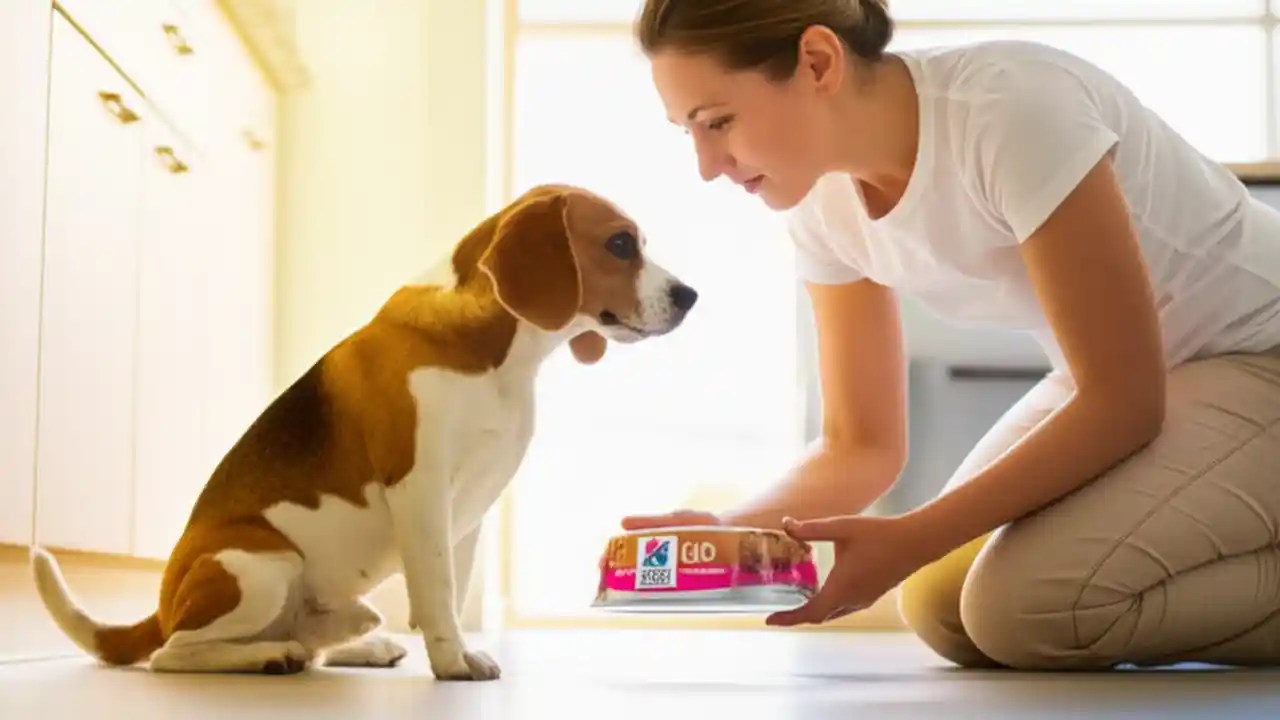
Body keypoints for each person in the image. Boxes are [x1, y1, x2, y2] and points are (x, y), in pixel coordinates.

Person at [619, 0, 1280, 670]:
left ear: (818, 62)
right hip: (1142, 380)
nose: (706, 165)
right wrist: (732, 532)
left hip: (1259, 352)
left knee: (1025, 611)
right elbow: (862, 447)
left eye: (718, 122)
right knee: (940, 607)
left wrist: (910, 536)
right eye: (688, 133)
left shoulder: (1008, 112)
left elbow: (1124, 403)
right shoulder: (822, 203)